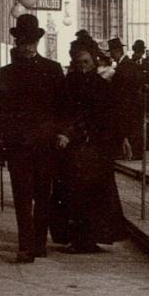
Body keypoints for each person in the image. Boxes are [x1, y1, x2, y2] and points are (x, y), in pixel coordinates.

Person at [0, 14, 68, 264]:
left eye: (30, 42)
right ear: (16, 43)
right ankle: (25, 246)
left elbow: (64, 107)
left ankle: (39, 243)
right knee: (22, 196)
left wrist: (64, 133)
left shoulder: (53, 70)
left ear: (37, 42)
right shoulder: (7, 73)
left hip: (46, 144)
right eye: (22, 42)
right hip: (17, 146)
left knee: (43, 195)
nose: (26, 47)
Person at [56, 43, 128, 253]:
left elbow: (106, 117)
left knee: (94, 194)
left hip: (94, 148)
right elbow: (61, 112)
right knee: (72, 194)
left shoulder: (102, 86)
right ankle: (76, 239)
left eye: (86, 62)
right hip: (72, 148)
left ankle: (91, 238)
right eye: (79, 63)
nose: (83, 67)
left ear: (94, 61)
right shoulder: (67, 85)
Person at [110, 37, 147, 161]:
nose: (111, 55)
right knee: (133, 127)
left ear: (117, 51)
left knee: (130, 127)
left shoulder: (124, 66)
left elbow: (122, 87)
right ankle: (135, 152)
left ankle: (132, 153)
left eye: (111, 52)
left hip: (127, 102)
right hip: (133, 101)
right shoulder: (128, 64)